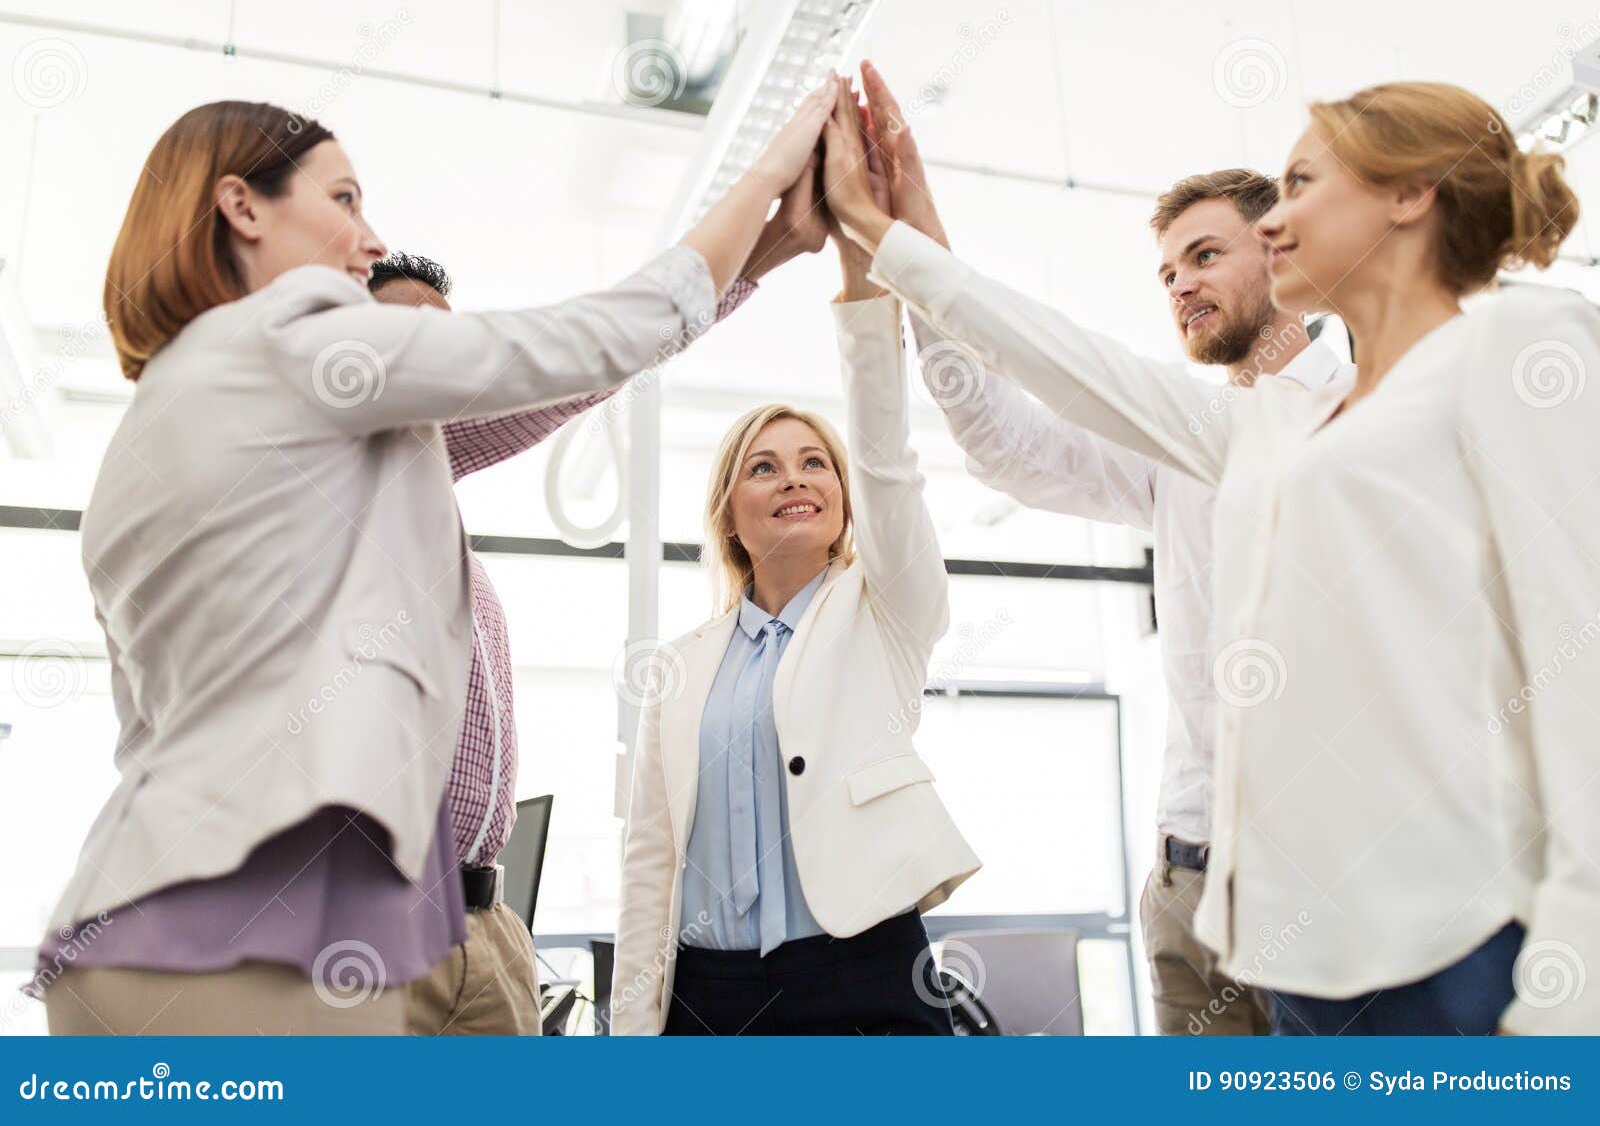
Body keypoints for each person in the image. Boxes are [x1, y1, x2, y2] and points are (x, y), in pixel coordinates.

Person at [33, 77, 838, 1035]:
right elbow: (573, 347)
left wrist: (764, 252)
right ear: (240, 206)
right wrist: (767, 183)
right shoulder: (278, 348)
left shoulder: (173, 424)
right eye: (342, 200)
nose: (368, 238)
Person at [825, 71, 1599, 1034]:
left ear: (1409, 195)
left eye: (1306, 185)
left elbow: (1581, 675)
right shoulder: (1260, 424)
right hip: (1292, 929)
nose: (1282, 221)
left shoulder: (1526, 345)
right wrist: (903, 237)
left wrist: (1571, 988)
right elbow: (1062, 362)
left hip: (1447, 930)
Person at [849, 64, 1349, 1035]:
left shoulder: (1362, 416)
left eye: (1204, 255)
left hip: (1326, 875)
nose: (1181, 284)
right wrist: (918, 258)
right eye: (1166, 272)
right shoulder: (1188, 436)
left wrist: (915, 252)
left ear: (1281, 250)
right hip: (1186, 867)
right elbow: (1008, 443)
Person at [367, 222, 824, 1034]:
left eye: (448, 343)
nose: (440, 370)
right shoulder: (335, 484)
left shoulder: (449, 545)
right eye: (409, 342)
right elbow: (584, 365)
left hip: (484, 923)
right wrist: (747, 257)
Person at [611, 145, 980, 1035]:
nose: (793, 478)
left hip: (860, 970)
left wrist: (863, 278)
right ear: (730, 513)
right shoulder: (682, 664)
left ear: (843, 500)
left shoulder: (885, 608)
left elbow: (890, 464)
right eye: (764, 467)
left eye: (814, 462)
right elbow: (649, 860)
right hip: (712, 993)